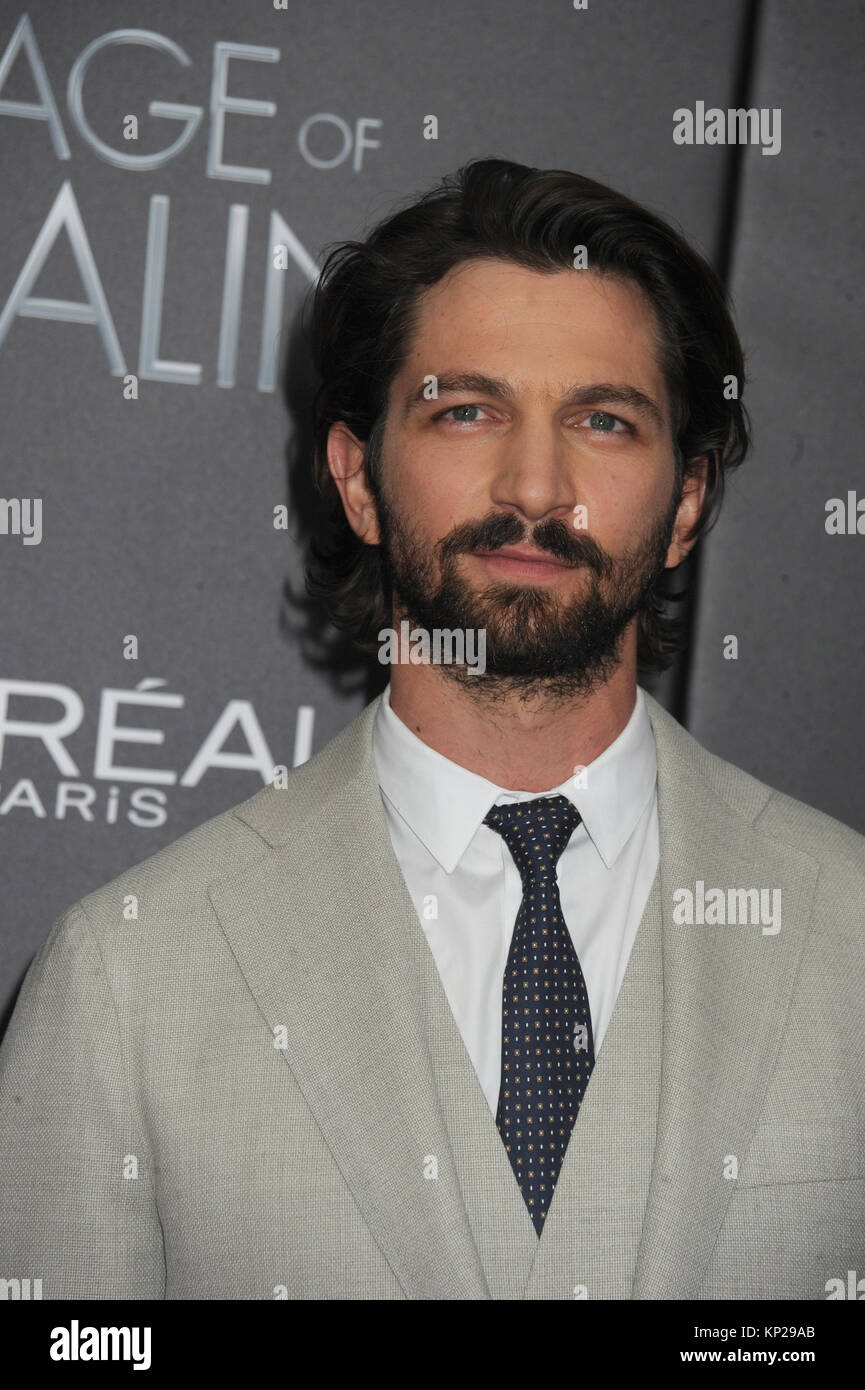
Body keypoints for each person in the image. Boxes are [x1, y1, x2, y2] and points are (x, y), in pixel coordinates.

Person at [1, 158, 863, 1301]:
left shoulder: (848, 932)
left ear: (687, 503)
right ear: (358, 480)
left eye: (603, 420)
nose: (535, 487)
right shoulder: (125, 978)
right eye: (466, 412)